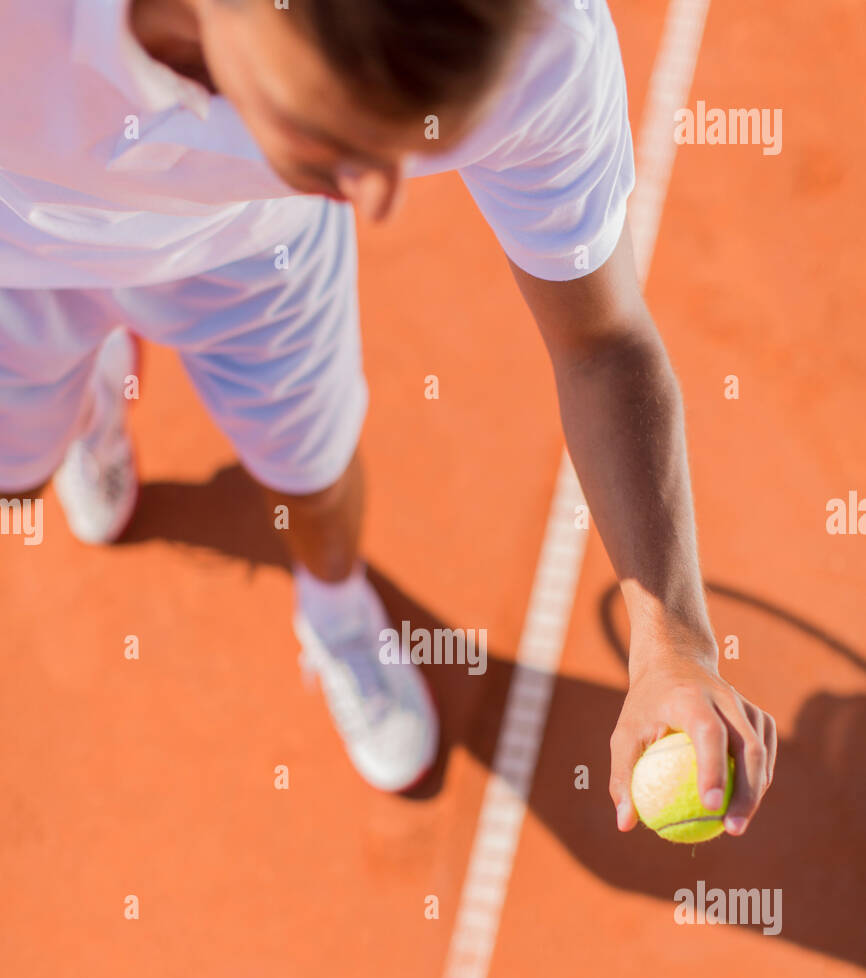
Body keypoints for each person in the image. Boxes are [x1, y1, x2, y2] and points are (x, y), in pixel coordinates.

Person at [0, 0, 776, 820]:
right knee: (17, 485)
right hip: (16, 258)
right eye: (334, 130)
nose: (378, 199)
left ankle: (337, 619)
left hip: (256, 254)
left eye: (407, 137)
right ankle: (91, 397)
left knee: (311, 480)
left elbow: (603, 340)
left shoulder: (540, 46)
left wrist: (674, 642)